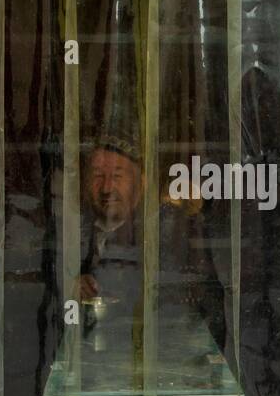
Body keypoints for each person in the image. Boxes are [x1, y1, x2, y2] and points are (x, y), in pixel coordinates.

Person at [73, 136, 227, 354]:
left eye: (117, 176)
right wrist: (74, 284)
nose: (107, 187)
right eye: (98, 176)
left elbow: (200, 309)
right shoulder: (75, 232)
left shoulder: (170, 234)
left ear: (142, 182)